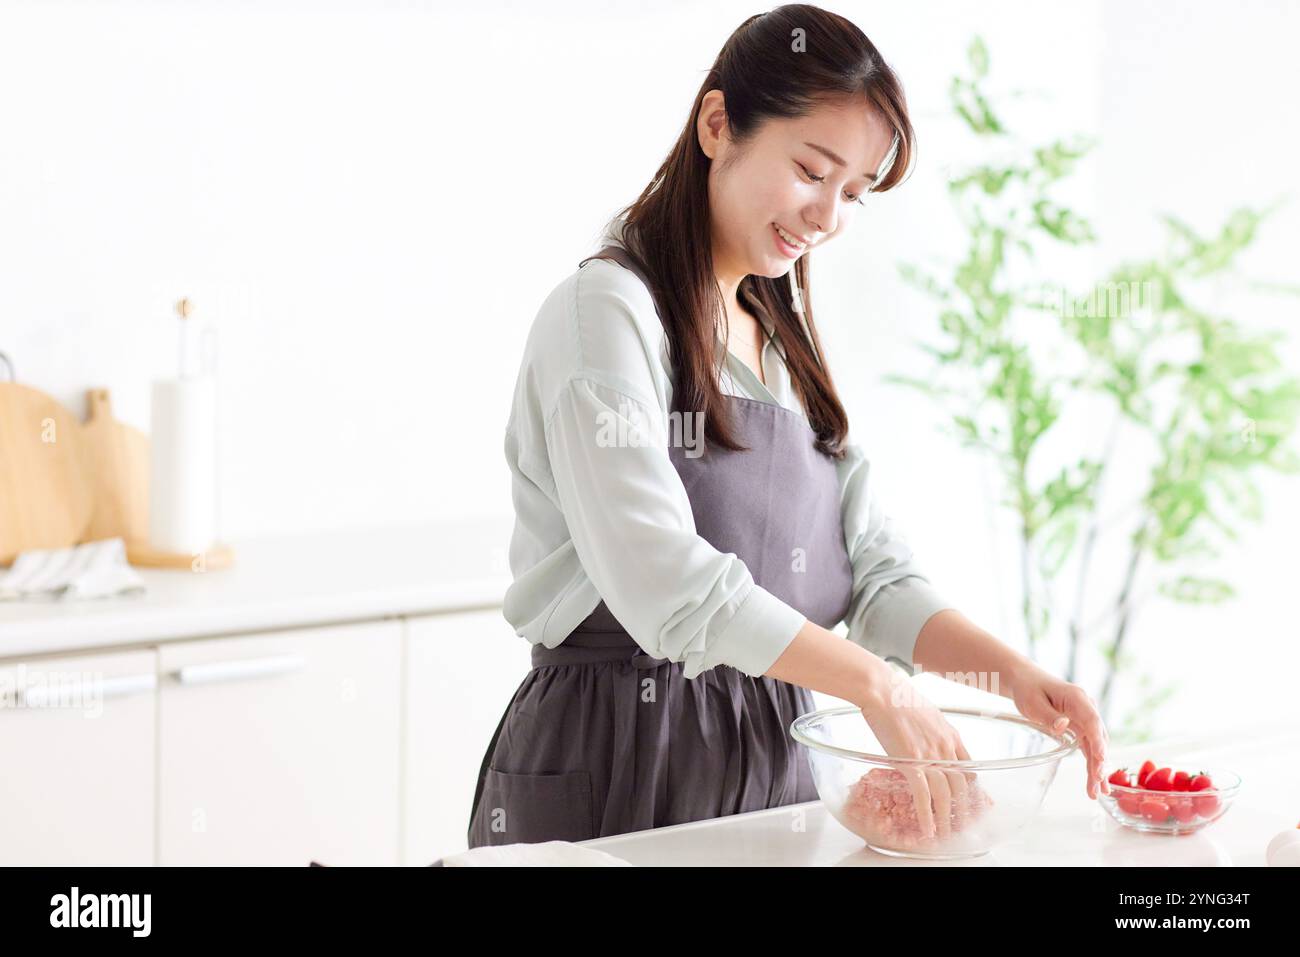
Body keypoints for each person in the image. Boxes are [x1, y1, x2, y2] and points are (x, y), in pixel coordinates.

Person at [467, 3, 1108, 849]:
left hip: (776, 764)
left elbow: (874, 575)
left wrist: (1011, 676)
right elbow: (665, 583)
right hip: (618, 751)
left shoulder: (782, 342)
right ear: (717, 123)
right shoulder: (606, 311)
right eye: (812, 170)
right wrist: (879, 687)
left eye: (853, 194)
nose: (827, 217)